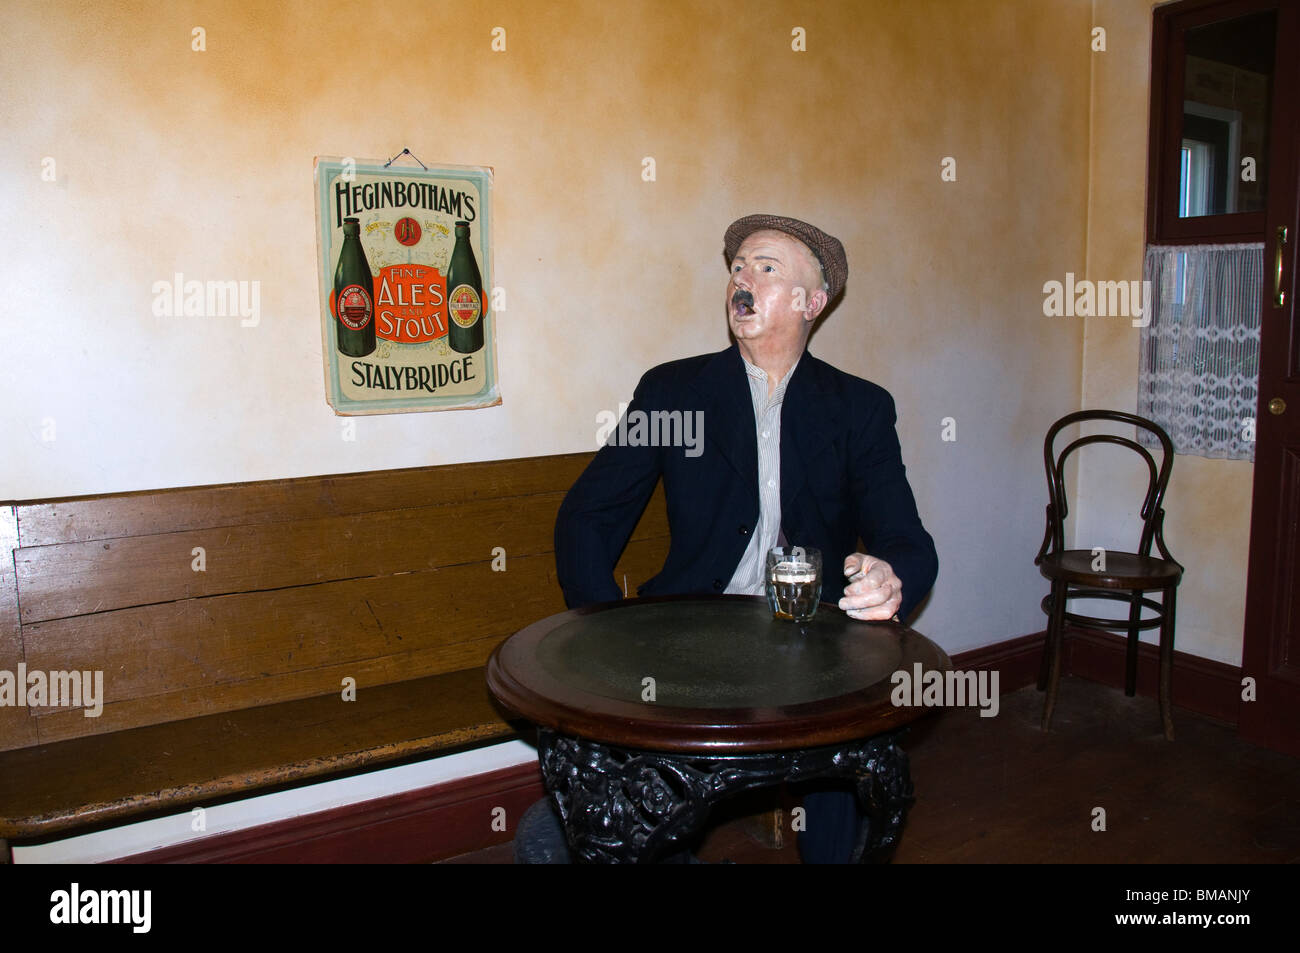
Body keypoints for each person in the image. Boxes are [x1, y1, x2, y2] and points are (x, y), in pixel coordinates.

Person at [542, 213, 938, 863]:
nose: (743, 279)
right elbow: (588, 515)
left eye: (767, 267)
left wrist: (892, 576)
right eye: (737, 267)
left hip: (812, 640)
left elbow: (907, 538)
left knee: (840, 737)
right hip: (689, 636)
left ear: (813, 302)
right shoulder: (674, 394)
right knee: (630, 813)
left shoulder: (858, 408)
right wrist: (602, 628)